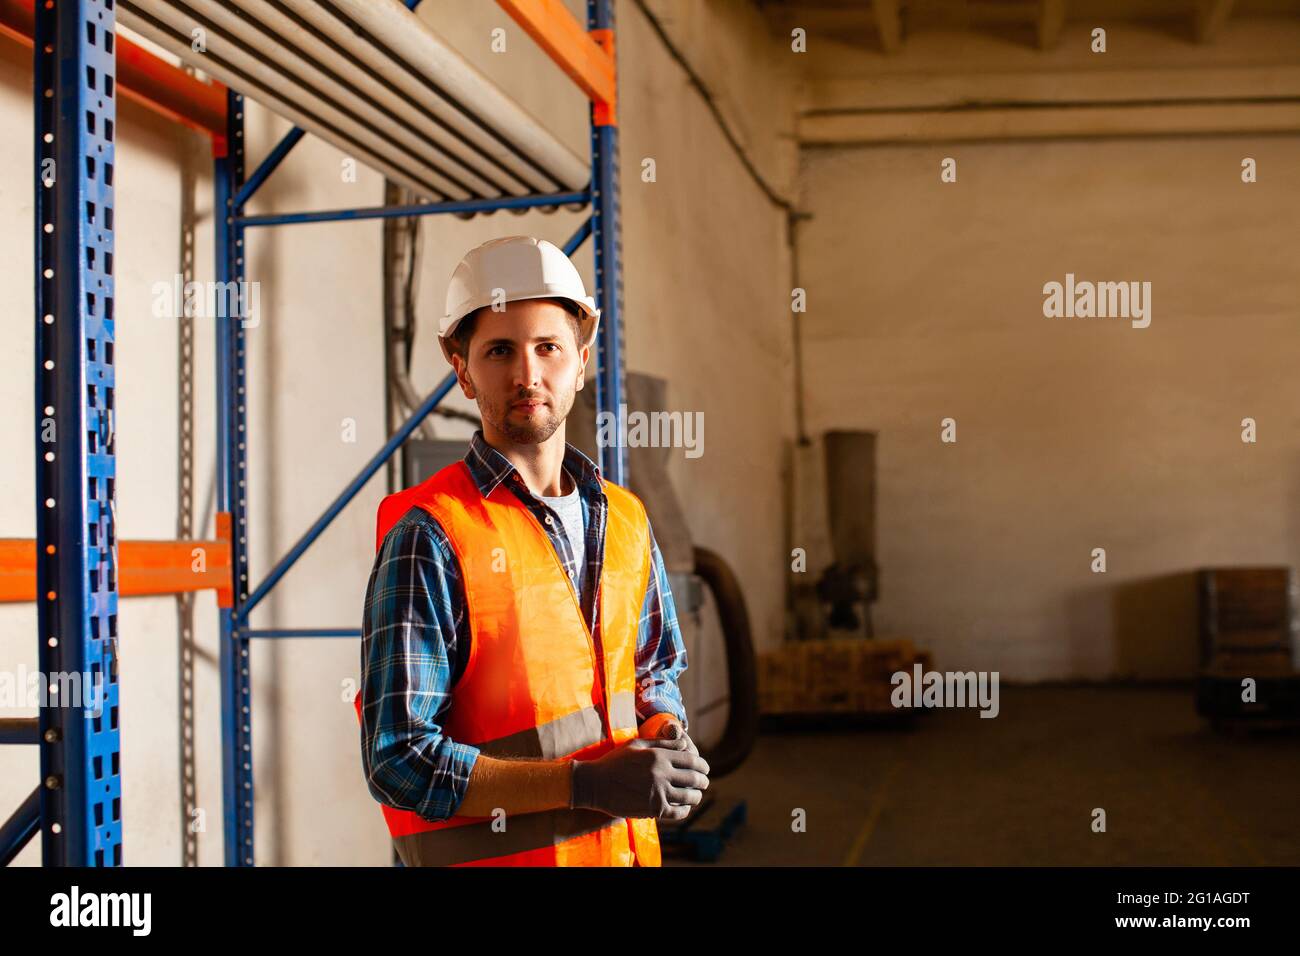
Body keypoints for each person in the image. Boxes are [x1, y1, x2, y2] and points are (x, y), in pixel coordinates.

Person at [358, 236, 709, 867]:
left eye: (548, 347)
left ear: (580, 360)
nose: (527, 375)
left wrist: (667, 738)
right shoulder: (431, 536)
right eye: (499, 351)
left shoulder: (626, 520)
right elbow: (400, 758)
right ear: (462, 369)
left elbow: (653, 673)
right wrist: (586, 784)